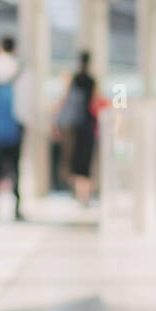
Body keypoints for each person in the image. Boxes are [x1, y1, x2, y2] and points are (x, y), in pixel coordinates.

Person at [0, 36, 32, 221]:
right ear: (14, 49)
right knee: (15, 169)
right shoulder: (21, 70)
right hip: (15, 126)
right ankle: (17, 209)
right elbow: (26, 102)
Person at [58, 51, 97, 206]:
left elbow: (64, 100)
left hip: (72, 126)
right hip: (87, 126)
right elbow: (94, 103)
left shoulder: (72, 80)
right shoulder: (92, 81)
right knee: (85, 162)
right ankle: (84, 195)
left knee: (72, 161)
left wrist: (57, 121)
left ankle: (76, 192)